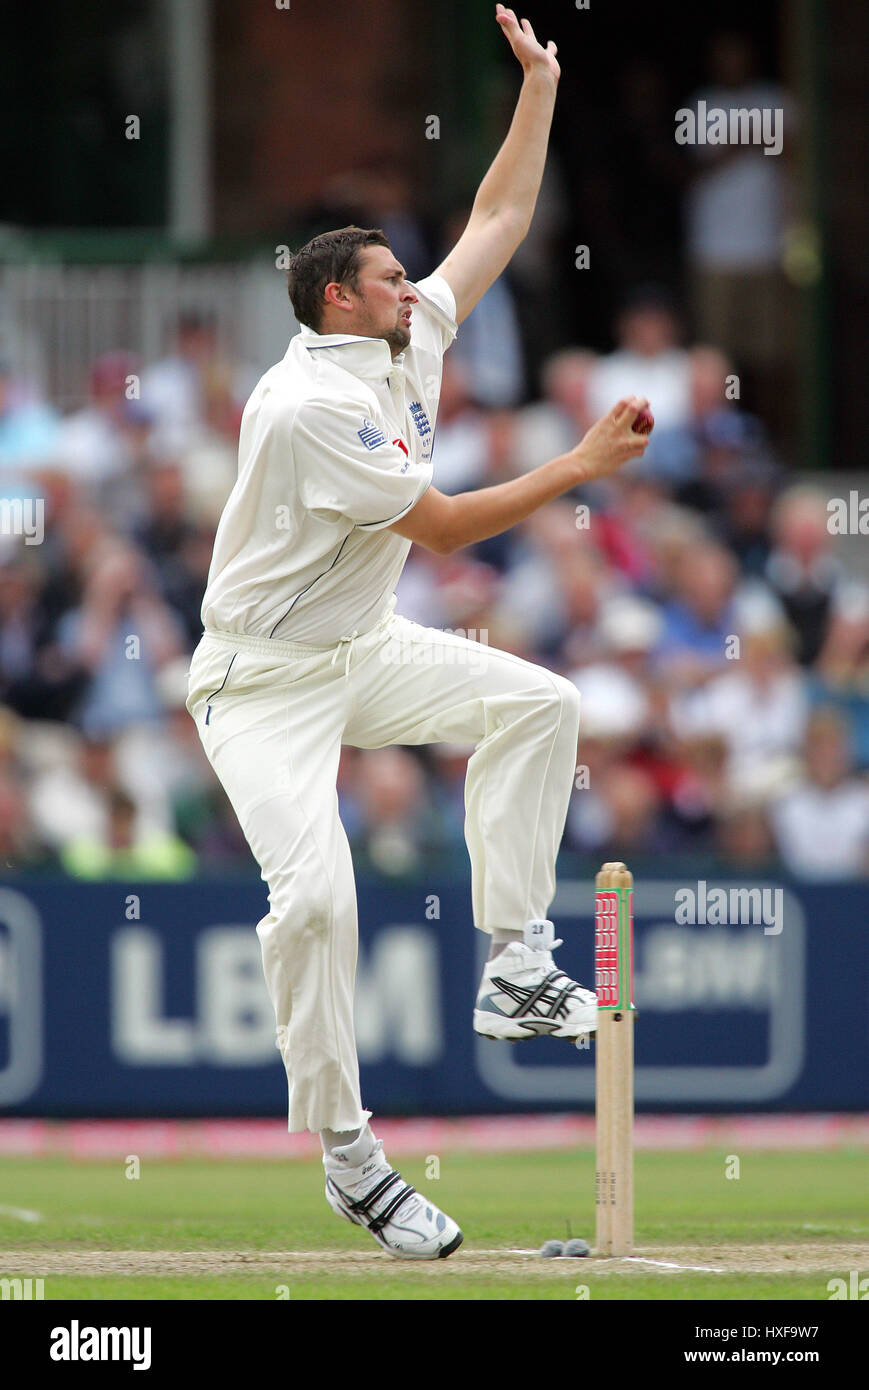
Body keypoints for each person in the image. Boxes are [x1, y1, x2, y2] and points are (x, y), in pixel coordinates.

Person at [186, 5, 651, 1262]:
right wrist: (582, 462)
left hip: (360, 648)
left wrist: (541, 87)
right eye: (394, 277)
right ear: (339, 298)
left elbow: (497, 220)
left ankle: (513, 956)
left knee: (541, 702)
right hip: (260, 681)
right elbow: (443, 528)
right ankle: (351, 1158)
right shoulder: (306, 403)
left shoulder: (405, 336)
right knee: (317, 899)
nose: (419, 287)